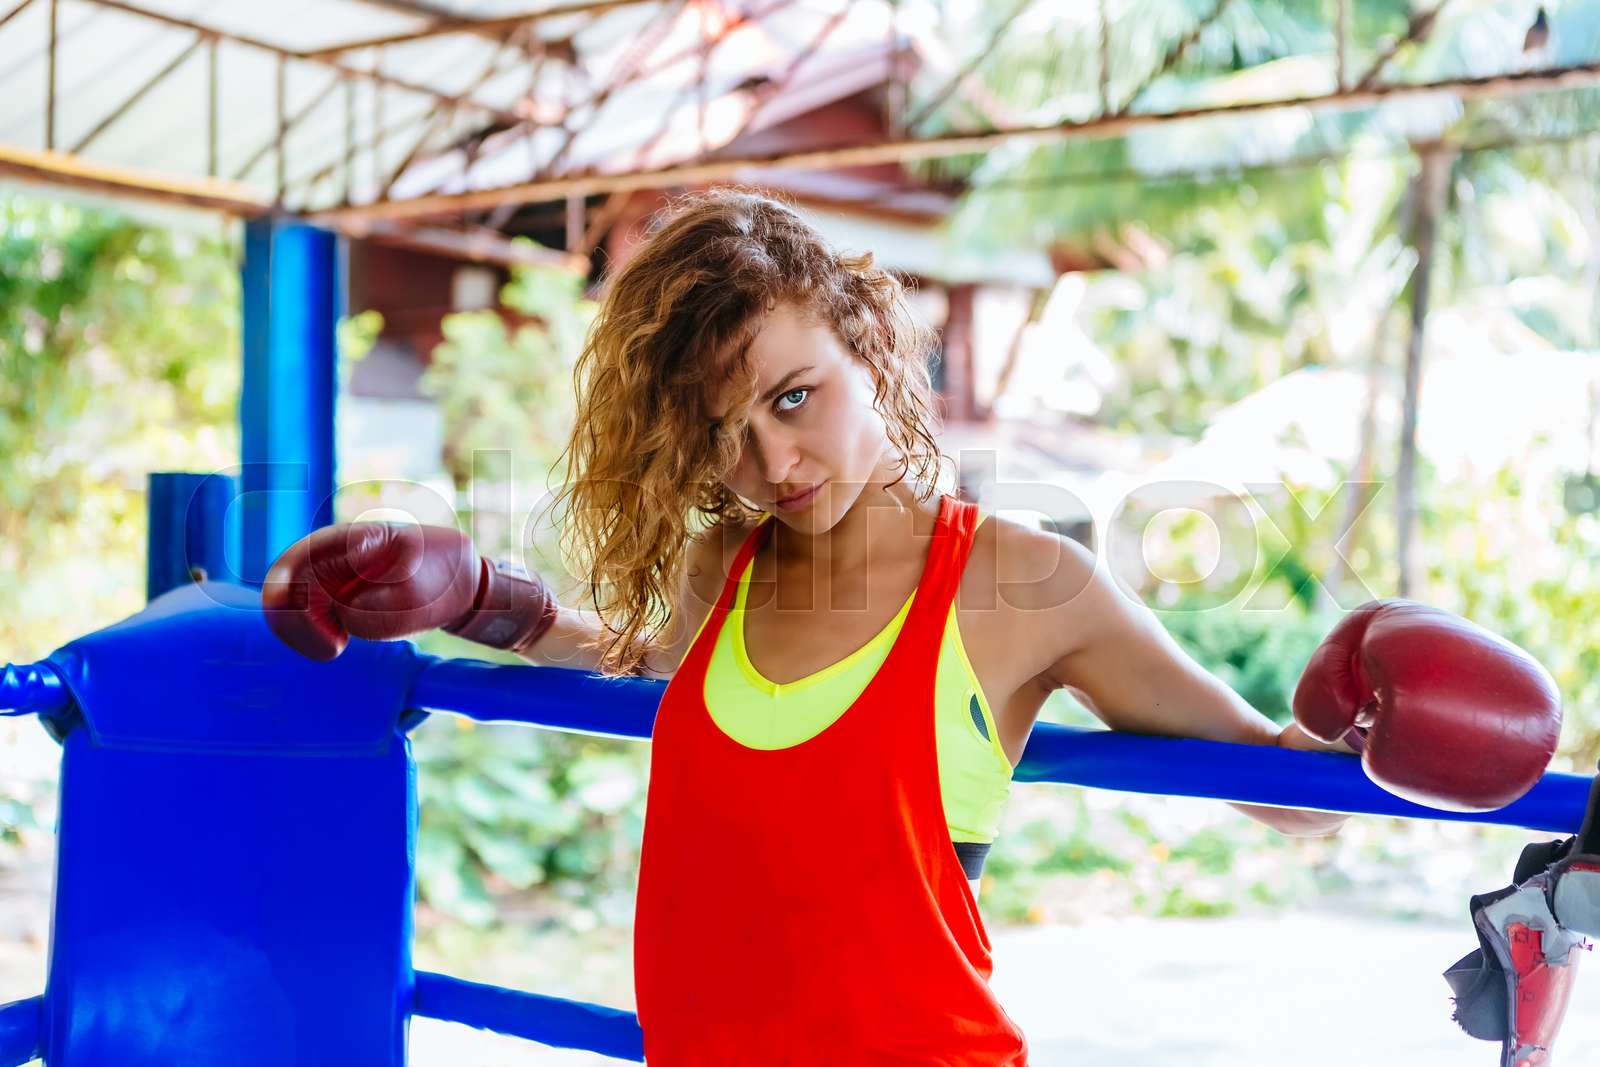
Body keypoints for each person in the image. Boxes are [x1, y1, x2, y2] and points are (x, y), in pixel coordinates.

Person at [262, 188, 1557, 1065]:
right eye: (722, 432)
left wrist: (1367, 714)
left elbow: (1273, 791)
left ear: (871, 349)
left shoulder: (1016, 583)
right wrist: (489, 600)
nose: (770, 455)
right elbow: (639, 660)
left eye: (793, 396)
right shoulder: (727, 562)